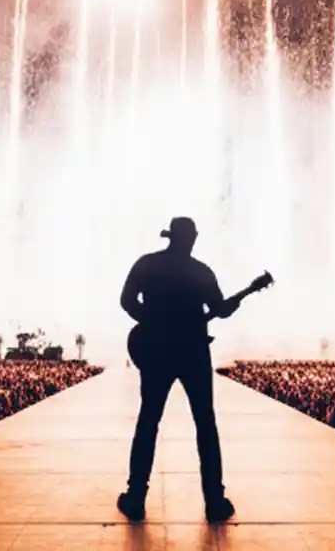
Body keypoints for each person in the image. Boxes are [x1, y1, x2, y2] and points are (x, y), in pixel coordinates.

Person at [117, 216, 239, 523]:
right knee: (205, 424)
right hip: (193, 351)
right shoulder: (201, 272)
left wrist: (152, 320)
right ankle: (214, 500)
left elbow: (126, 300)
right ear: (192, 238)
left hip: (156, 349)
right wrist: (243, 295)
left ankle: (135, 498)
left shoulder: (147, 265)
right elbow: (221, 309)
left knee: (149, 421)